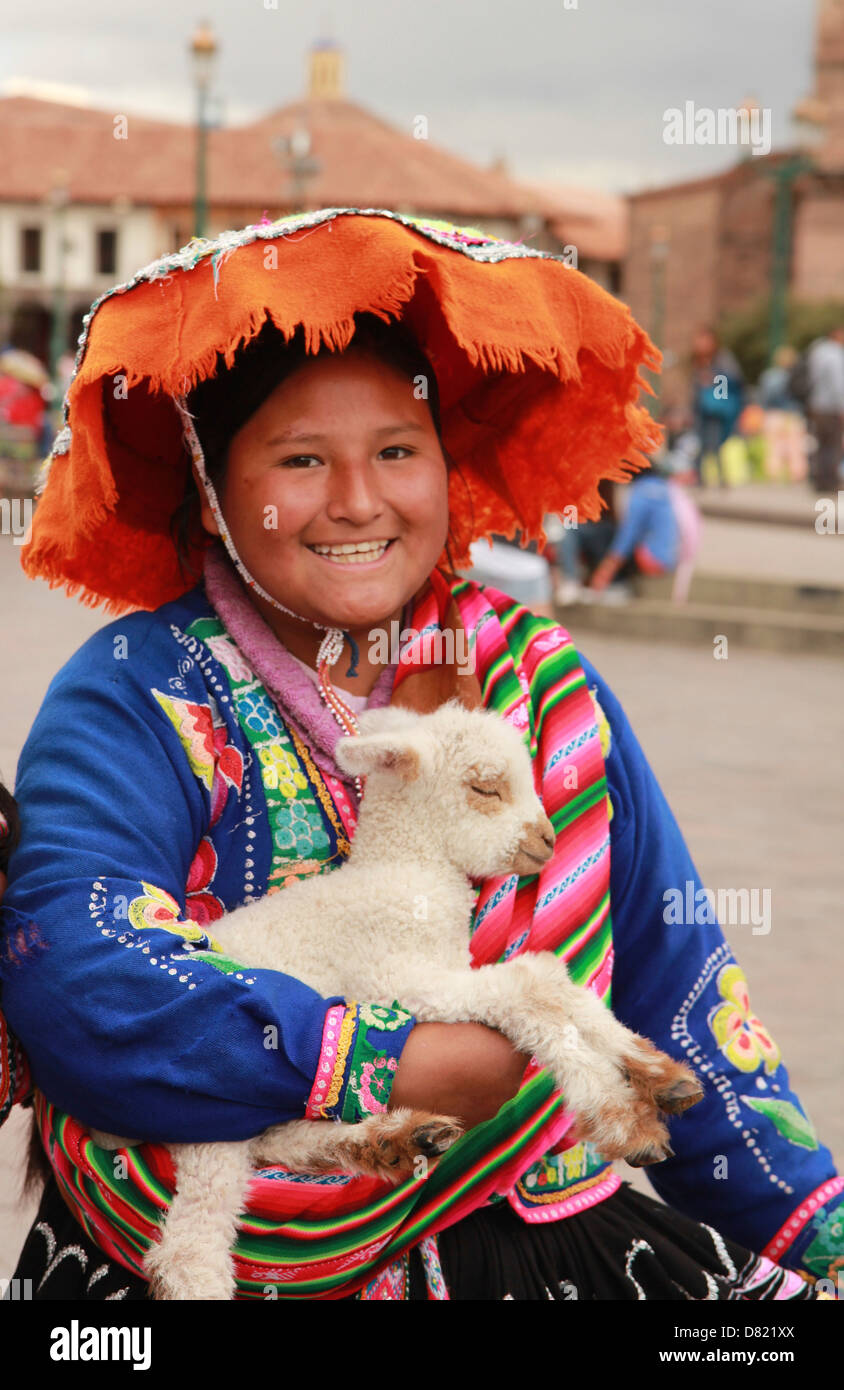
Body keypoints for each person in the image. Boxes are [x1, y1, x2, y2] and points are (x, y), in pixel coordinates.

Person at [1, 210, 841, 1301]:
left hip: (547, 1254)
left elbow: (677, 988)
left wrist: (813, 1235)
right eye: (300, 460)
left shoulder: (536, 681)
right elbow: (75, 971)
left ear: (447, 467)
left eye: (397, 451)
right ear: (213, 489)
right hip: (216, 1252)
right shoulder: (137, 694)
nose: (357, 500)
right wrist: (391, 1058)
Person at [689, 326, 744, 486]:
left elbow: (732, 380)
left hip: (716, 409)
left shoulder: (722, 359)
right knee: (700, 443)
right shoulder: (698, 360)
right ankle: (700, 478)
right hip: (701, 408)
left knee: (716, 442)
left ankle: (720, 477)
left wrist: (714, 380)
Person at [805, 325, 844, 493]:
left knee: (821, 445)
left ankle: (819, 480)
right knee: (833, 446)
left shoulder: (817, 351)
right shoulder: (835, 354)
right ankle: (830, 482)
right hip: (831, 407)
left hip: (816, 405)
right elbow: (838, 384)